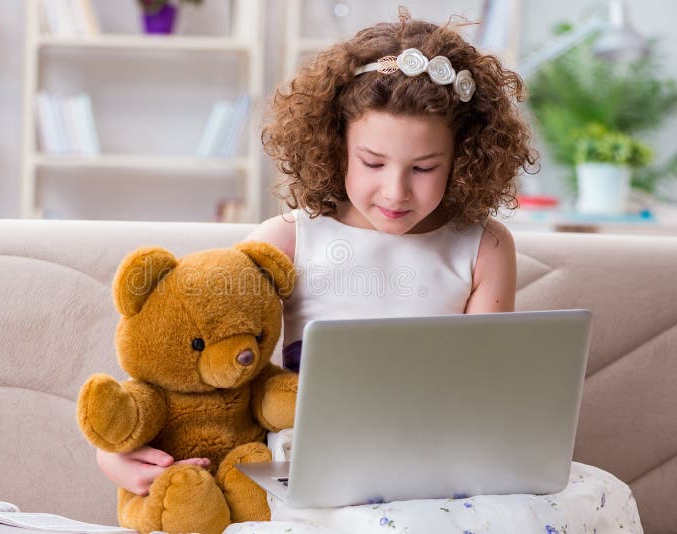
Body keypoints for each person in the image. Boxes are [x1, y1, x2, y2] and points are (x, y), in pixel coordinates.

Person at [96, 11, 538, 497]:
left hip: (435, 473)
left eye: (424, 167)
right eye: (372, 162)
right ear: (335, 145)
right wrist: (116, 449)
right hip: (302, 469)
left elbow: (488, 392)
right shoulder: (287, 241)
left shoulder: (486, 247)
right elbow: (189, 351)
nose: (395, 192)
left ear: (464, 157)